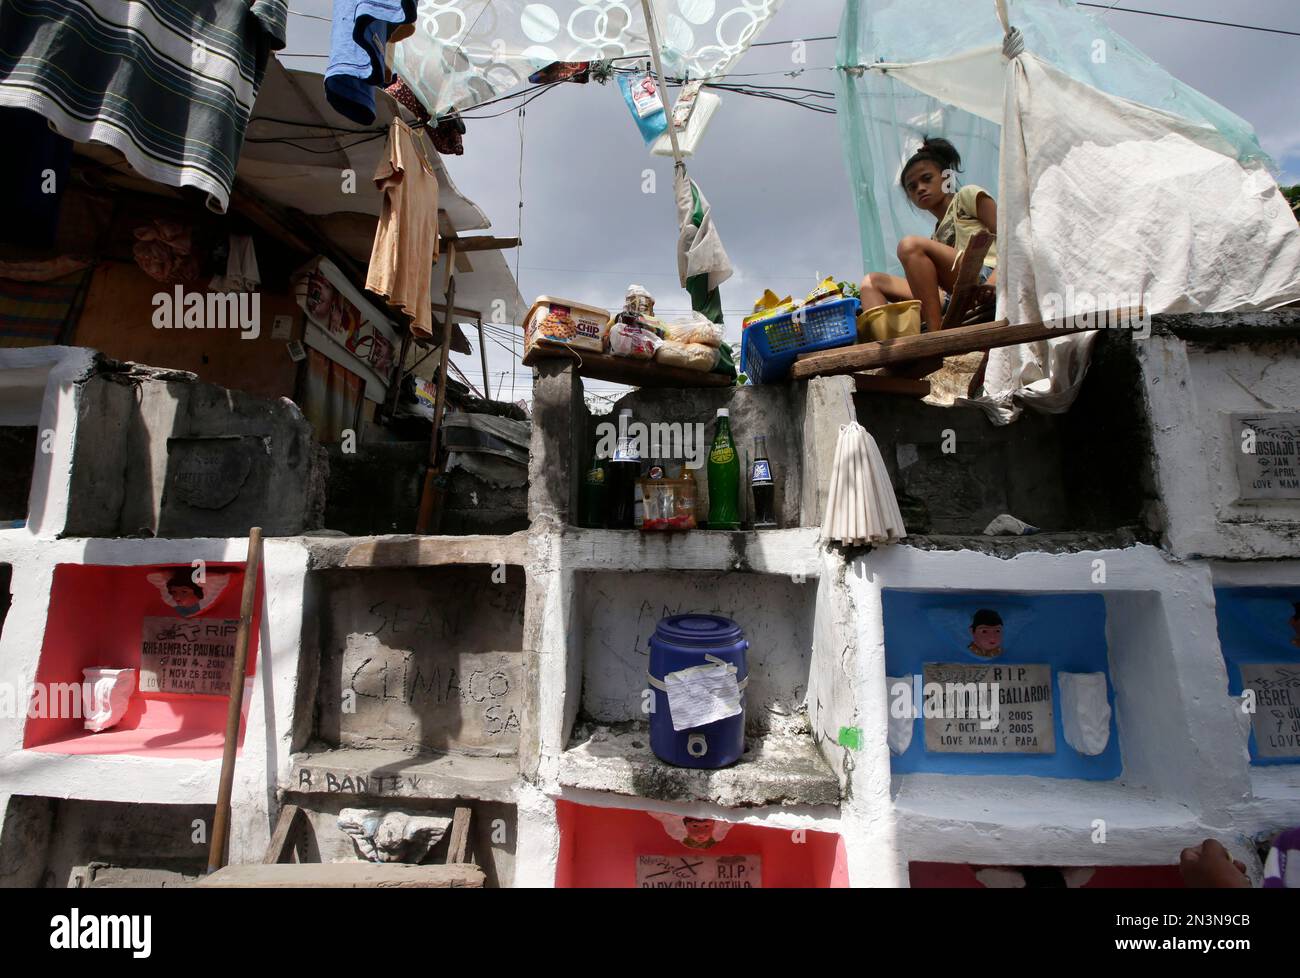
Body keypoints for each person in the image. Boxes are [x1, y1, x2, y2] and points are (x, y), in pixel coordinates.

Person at [860, 137, 999, 334]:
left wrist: (993, 281)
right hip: (953, 294)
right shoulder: (935, 237)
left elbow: (1011, 238)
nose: (920, 188)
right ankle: (893, 351)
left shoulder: (967, 196)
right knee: (871, 282)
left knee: (909, 246)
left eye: (927, 179)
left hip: (987, 276)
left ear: (947, 178)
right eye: (912, 187)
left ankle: (935, 336)